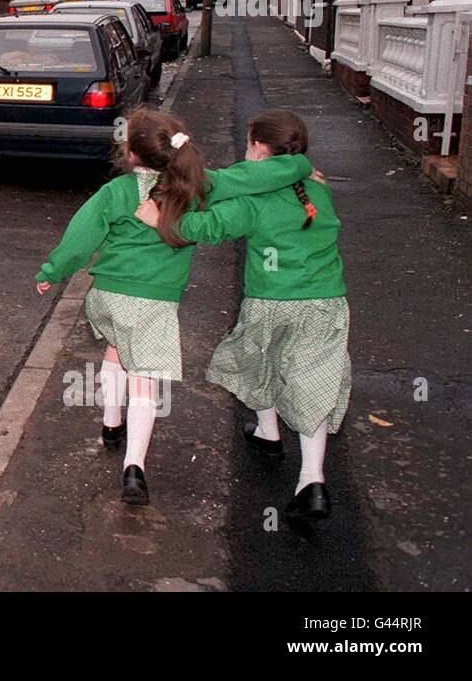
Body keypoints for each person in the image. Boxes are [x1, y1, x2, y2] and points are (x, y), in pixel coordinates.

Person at [35, 108, 313, 505]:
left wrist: (52, 270)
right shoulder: (197, 189)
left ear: (131, 155)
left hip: (108, 296)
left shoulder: (115, 192)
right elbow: (255, 176)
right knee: (144, 377)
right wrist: (299, 163)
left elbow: (80, 237)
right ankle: (134, 467)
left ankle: (111, 425)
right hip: (152, 301)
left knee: (116, 350)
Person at [136, 109, 347, 522]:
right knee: (314, 383)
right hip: (325, 303)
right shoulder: (318, 190)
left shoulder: (253, 200)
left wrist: (159, 219)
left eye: (249, 143)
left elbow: (208, 226)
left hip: (269, 302)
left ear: (258, 148)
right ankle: (312, 478)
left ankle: (269, 434)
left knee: (258, 365)